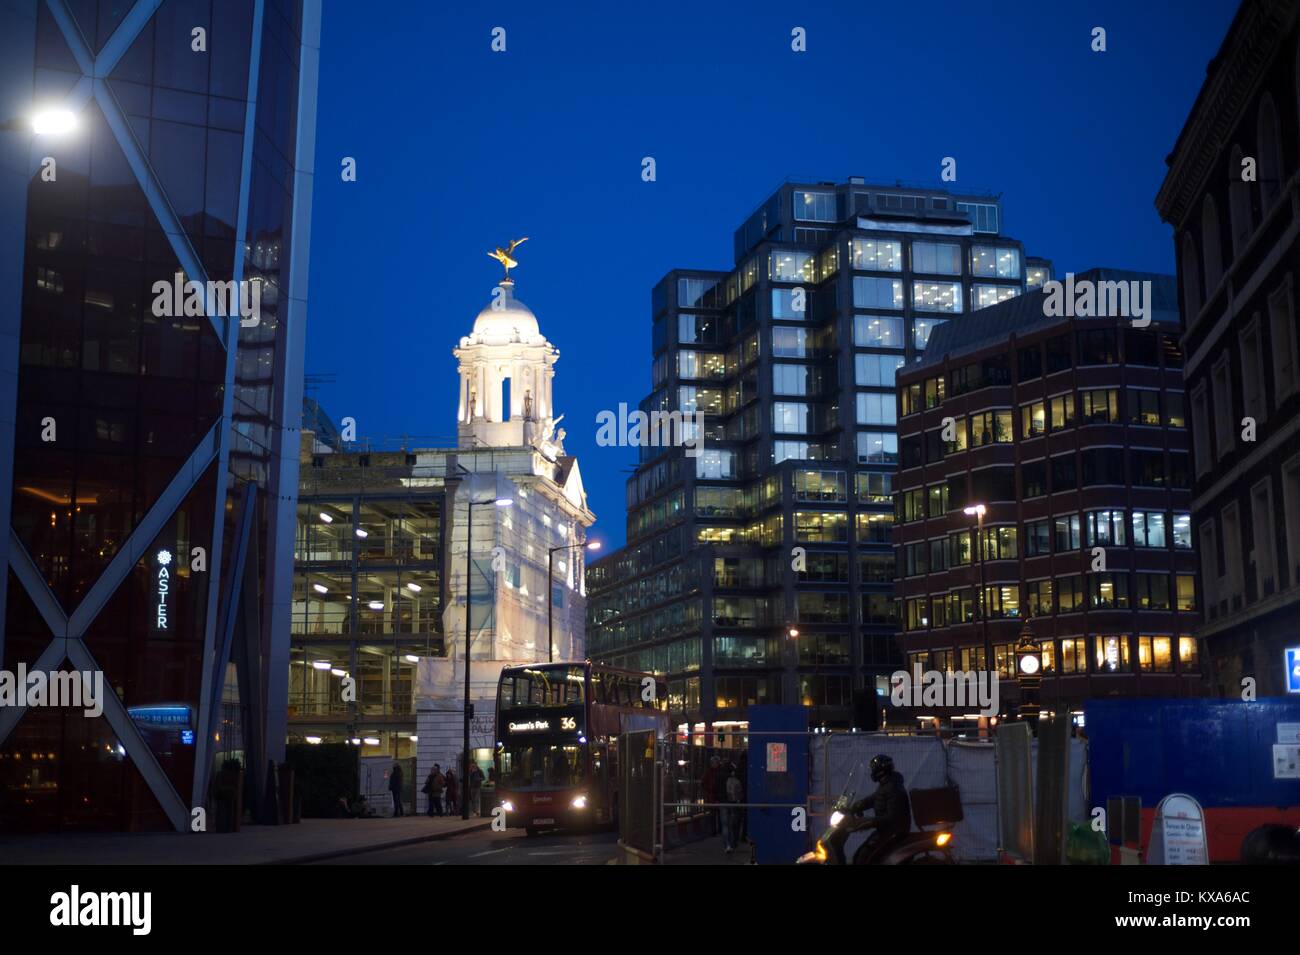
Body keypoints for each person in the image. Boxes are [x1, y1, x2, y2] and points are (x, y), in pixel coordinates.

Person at [849, 754, 912, 863]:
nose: (872, 772)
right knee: (863, 853)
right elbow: (874, 799)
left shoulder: (893, 787)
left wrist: (869, 822)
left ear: (880, 770)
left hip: (892, 832)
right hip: (887, 830)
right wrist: (855, 806)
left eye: (873, 769)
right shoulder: (886, 784)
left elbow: (892, 817)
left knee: (862, 856)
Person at [722, 767, 744, 854]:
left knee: (725, 825)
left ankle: (727, 844)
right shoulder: (736, 781)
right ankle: (733, 842)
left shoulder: (721, 779)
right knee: (733, 824)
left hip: (722, 803)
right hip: (733, 803)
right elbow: (739, 792)